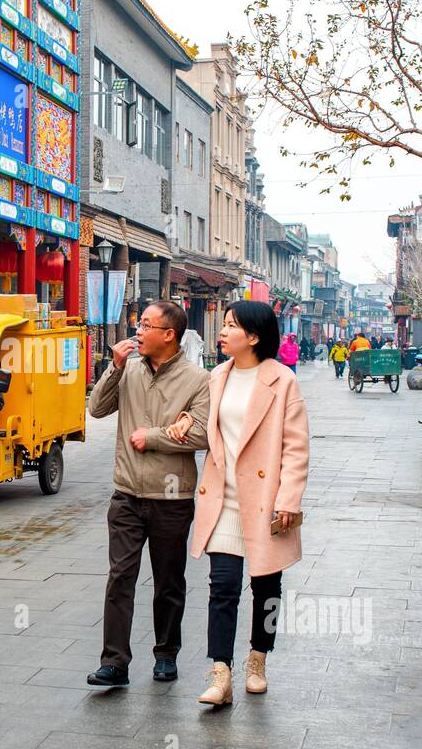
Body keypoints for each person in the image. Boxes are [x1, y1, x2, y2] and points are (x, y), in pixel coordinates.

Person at [167, 300, 309, 703]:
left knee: (266, 586)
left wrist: (289, 498)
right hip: (224, 498)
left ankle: (258, 659)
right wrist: (185, 420)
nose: (223, 331)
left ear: (254, 336)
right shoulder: (217, 377)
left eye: (231, 326)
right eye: (224, 324)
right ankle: (220, 674)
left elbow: (296, 448)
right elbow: (201, 416)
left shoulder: (282, 381)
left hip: (266, 499)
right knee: (223, 586)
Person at [87, 300, 211, 688]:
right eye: (138, 324)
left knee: (168, 580)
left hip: (171, 498)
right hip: (126, 494)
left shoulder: (197, 379)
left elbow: (201, 433)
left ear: (168, 334)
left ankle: (166, 654)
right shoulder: (131, 371)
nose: (137, 331)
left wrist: (152, 437)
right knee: (119, 577)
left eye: (145, 325)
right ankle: (114, 662)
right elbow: (96, 408)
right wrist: (115, 367)